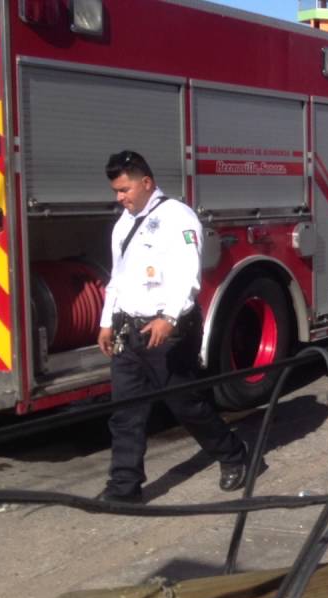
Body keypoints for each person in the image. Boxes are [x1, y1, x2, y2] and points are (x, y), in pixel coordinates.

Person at [97, 150, 248, 503]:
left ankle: (233, 454)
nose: (120, 198)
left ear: (146, 183)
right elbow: (116, 278)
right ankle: (124, 487)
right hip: (128, 330)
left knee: (186, 405)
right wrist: (107, 321)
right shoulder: (123, 224)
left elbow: (187, 276)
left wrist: (169, 317)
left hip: (168, 330)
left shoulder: (178, 217)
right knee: (126, 413)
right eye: (116, 191)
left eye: (124, 190)